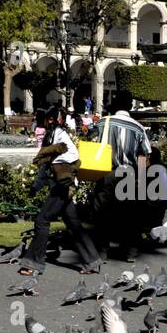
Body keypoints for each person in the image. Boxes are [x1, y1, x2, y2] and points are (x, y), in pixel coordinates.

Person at [19, 106, 101, 276]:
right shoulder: (53, 135)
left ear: (50, 120)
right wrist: (36, 186)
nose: (39, 123)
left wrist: (52, 152)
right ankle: (92, 261)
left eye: (42, 120)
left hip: (62, 187)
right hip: (64, 186)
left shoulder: (59, 135)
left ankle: (34, 263)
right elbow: (48, 166)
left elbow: (70, 154)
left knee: (42, 220)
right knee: (73, 224)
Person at [94, 90, 153, 263]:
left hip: (106, 172)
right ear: (129, 106)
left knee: (102, 213)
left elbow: (91, 142)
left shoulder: (103, 122)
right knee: (130, 215)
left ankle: (102, 251)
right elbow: (144, 156)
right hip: (129, 174)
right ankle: (130, 252)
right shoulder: (138, 127)